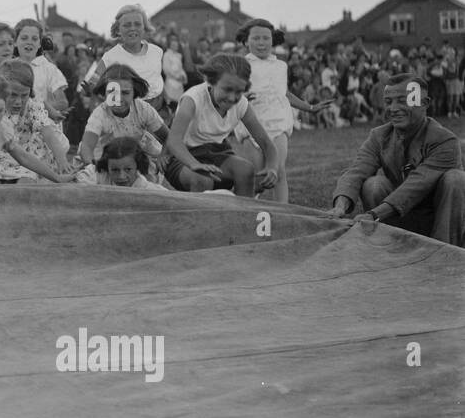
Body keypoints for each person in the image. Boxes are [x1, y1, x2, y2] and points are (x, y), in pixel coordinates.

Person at [330, 74, 464, 247]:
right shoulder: (379, 136)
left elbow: (416, 185)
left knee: (456, 179)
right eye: (388, 101)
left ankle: (444, 253)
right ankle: (387, 248)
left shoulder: (445, 140)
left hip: (439, 220)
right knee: (373, 185)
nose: (393, 108)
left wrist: (374, 214)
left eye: (403, 100)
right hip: (398, 216)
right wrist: (340, 205)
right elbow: (356, 171)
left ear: (424, 104)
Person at [232, 19, 325, 204]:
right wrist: (241, 96)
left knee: (279, 170)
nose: (261, 43)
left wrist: (310, 107)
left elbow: (285, 94)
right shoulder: (240, 65)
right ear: (246, 41)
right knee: (257, 176)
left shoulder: (281, 66)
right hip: (252, 125)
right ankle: (249, 212)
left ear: (273, 41)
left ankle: (283, 212)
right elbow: (231, 91)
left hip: (278, 122)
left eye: (266, 38)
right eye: (256, 38)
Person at [165, 54, 278, 197]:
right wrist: (194, 164)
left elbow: (267, 143)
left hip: (217, 154)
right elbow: (174, 141)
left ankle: (242, 215)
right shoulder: (193, 99)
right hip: (185, 157)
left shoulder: (241, 104)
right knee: (202, 179)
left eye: (238, 91)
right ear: (211, 82)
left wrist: (272, 168)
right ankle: (199, 218)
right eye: (227, 89)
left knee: (246, 170)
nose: (232, 98)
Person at [77, 65, 169, 182]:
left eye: (125, 93)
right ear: (104, 93)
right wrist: (96, 167)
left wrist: (163, 156)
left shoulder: (143, 109)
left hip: (134, 159)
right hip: (105, 159)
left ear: (134, 92)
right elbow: (87, 147)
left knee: (147, 181)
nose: (118, 98)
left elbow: (168, 137)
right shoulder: (100, 113)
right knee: (89, 180)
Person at [0, 60, 71, 183]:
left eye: (24, 95)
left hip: (29, 152)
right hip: (2, 153)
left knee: (26, 181)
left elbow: (48, 134)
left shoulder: (32, 106)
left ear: (30, 92)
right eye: (13, 95)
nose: (18, 102)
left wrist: (61, 160)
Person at [82, 4, 165, 103]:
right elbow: (92, 83)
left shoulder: (157, 51)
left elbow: (157, 79)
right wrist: (90, 90)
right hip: (126, 111)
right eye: (127, 25)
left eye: (137, 24)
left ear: (144, 27)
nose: (132, 28)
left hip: (157, 111)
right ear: (118, 30)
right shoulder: (110, 57)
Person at [12, 19, 70, 120]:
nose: (29, 42)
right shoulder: (8, 67)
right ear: (15, 42)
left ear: (39, 44)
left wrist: (36, 107)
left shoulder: (49, 69)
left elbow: (63, 102)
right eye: (24, 38)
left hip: (42, 130)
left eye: (34, 39)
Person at [96, 137, 166, 191]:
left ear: (137, 166)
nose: (121, 176)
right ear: (106, 167)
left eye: (128, 169)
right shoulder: (96, 177)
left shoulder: (152, 191)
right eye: (115, 170)